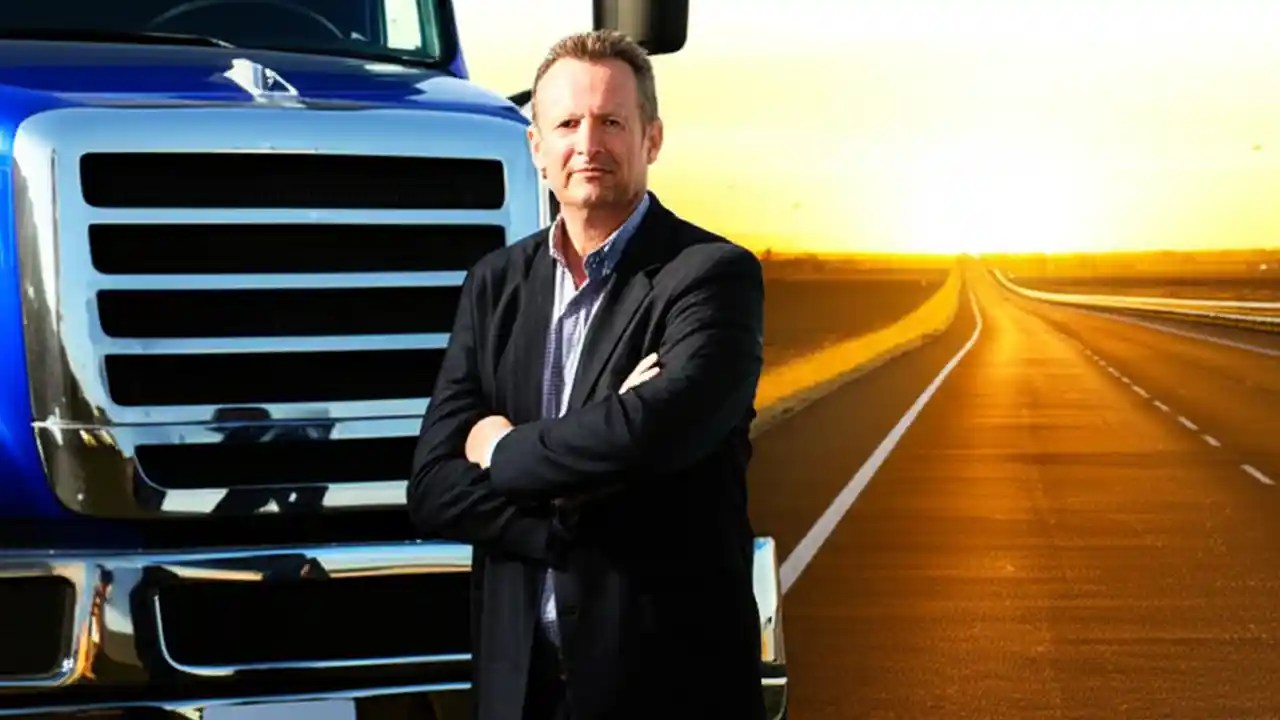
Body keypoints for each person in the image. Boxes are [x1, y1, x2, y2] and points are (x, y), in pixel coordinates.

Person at [407, 29, 768, 720]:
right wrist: (564, 518)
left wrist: (501, 450)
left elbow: (652, 433)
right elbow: (432, 487)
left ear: (652, 138)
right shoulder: (494, 284)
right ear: (536, 147)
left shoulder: (712, 277)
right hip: (522, 689)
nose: (588, 144)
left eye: (612, 122)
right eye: (568, 124)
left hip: (668, 688)